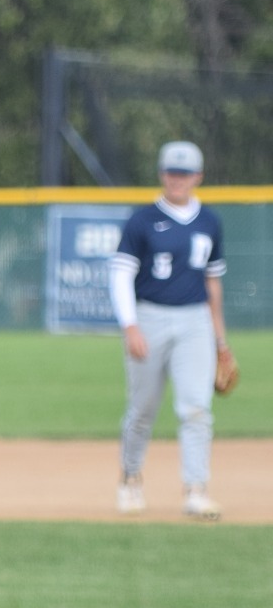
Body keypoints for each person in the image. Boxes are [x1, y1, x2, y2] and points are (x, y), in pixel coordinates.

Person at [113, 141, 231, 522]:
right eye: (171, 172)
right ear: (161, 174)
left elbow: (212, 283)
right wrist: (130, 325)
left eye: (185, 173)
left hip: (195, 321)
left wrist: (221, 340)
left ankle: (196, 490)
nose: (177, 179)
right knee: (142, 409)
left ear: (198, 176)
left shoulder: (209, 222)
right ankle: (130, 478)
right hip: (149, 316)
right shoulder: (141, 220)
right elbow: (121, 274)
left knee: (196, 408)